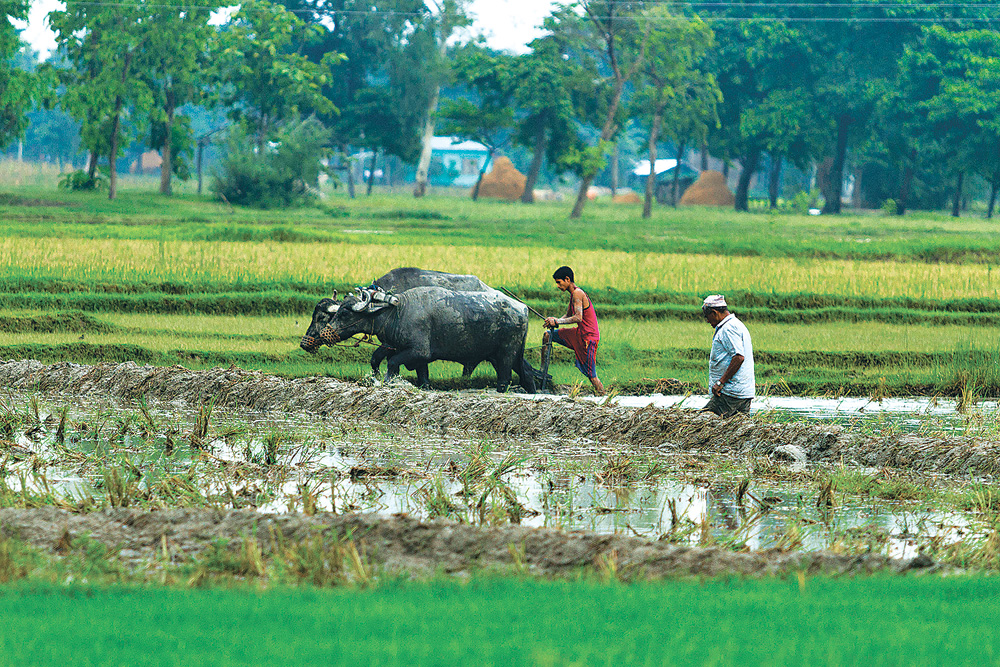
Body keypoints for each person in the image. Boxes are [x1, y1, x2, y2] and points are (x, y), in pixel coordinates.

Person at [543, 266, 605, 395]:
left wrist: (557, 321)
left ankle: (603, 397)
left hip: (588, 338)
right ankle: (543, 371)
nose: (558, 286)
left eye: (559, 282)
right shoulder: (573, 295)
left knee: (591, 375)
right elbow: (567, 315)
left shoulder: (578, 293)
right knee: (547, 335)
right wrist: (554, 321)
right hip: (578, 334)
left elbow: (578, 317)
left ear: (567, 279)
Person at [701, 294, 755, 417]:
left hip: (730, 393)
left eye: (707, 317)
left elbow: (739, 357)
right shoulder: (735, 324)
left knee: (702, 422)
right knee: (738, 429)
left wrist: (720, 382)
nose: (708, 321)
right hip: (742, 392)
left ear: (714, 313)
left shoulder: (728, 328)